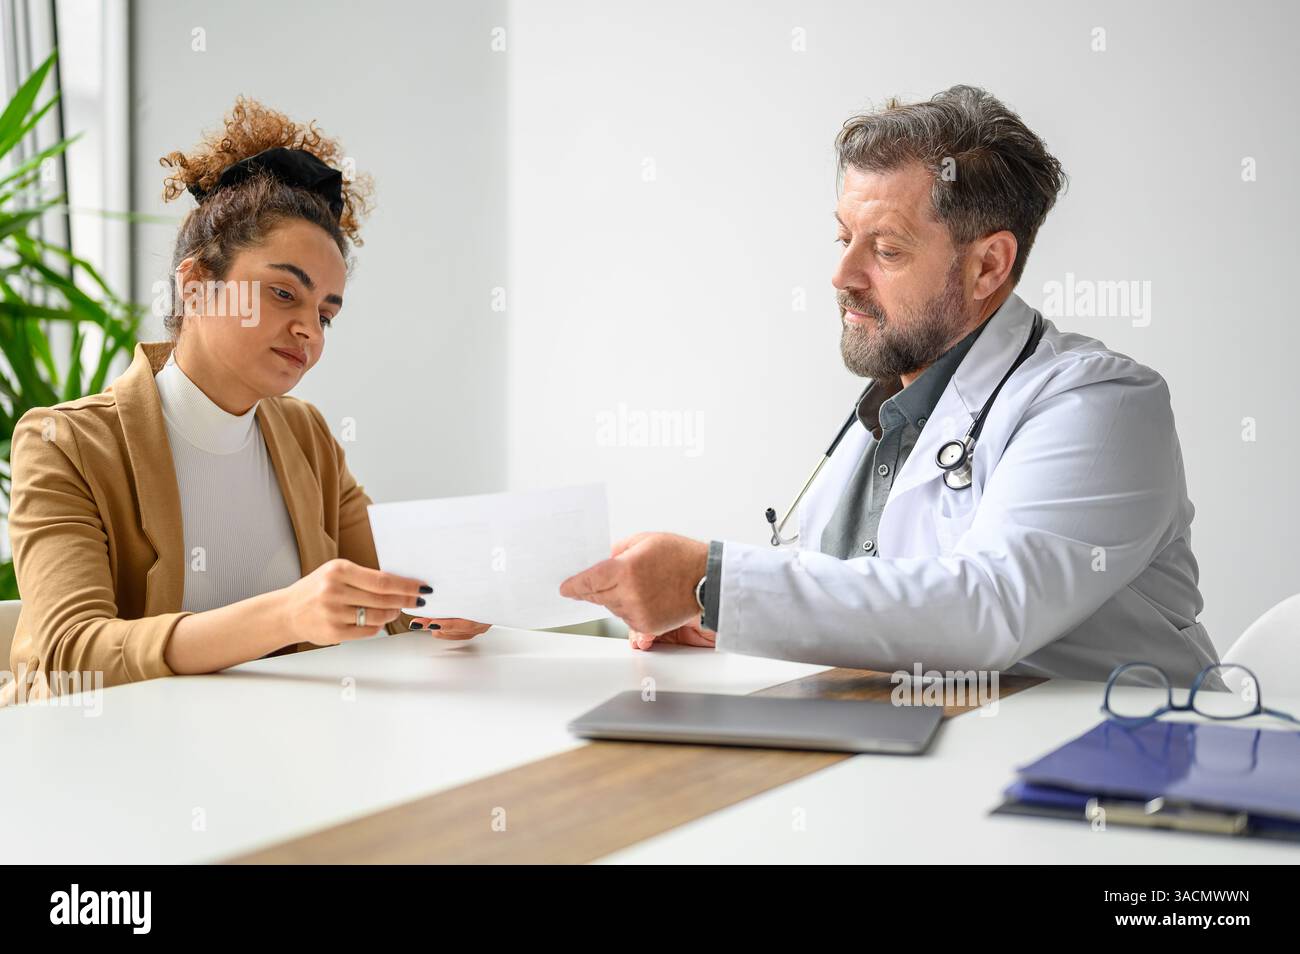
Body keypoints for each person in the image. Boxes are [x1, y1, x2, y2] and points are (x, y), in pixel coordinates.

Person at [560, 85, 1217, 685]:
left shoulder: (1101, 405)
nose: (842, 275)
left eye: (886, 249)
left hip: (1114, 781)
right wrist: (706, 612)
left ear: (989, 264)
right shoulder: (885, 414)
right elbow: (862, 610)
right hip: (918, 761)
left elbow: (982, 611)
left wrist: (711, 580)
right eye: (844, 237)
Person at [6, 98, 486, 699]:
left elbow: (383, 595)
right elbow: (68, 653)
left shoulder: (307, 436)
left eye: (325, 314)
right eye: (285, 293)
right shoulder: (67, 443)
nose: (310, 330)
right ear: (197, 285)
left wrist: (443, 611)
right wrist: (284, 616)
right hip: (112, 763)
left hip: (278, 754)